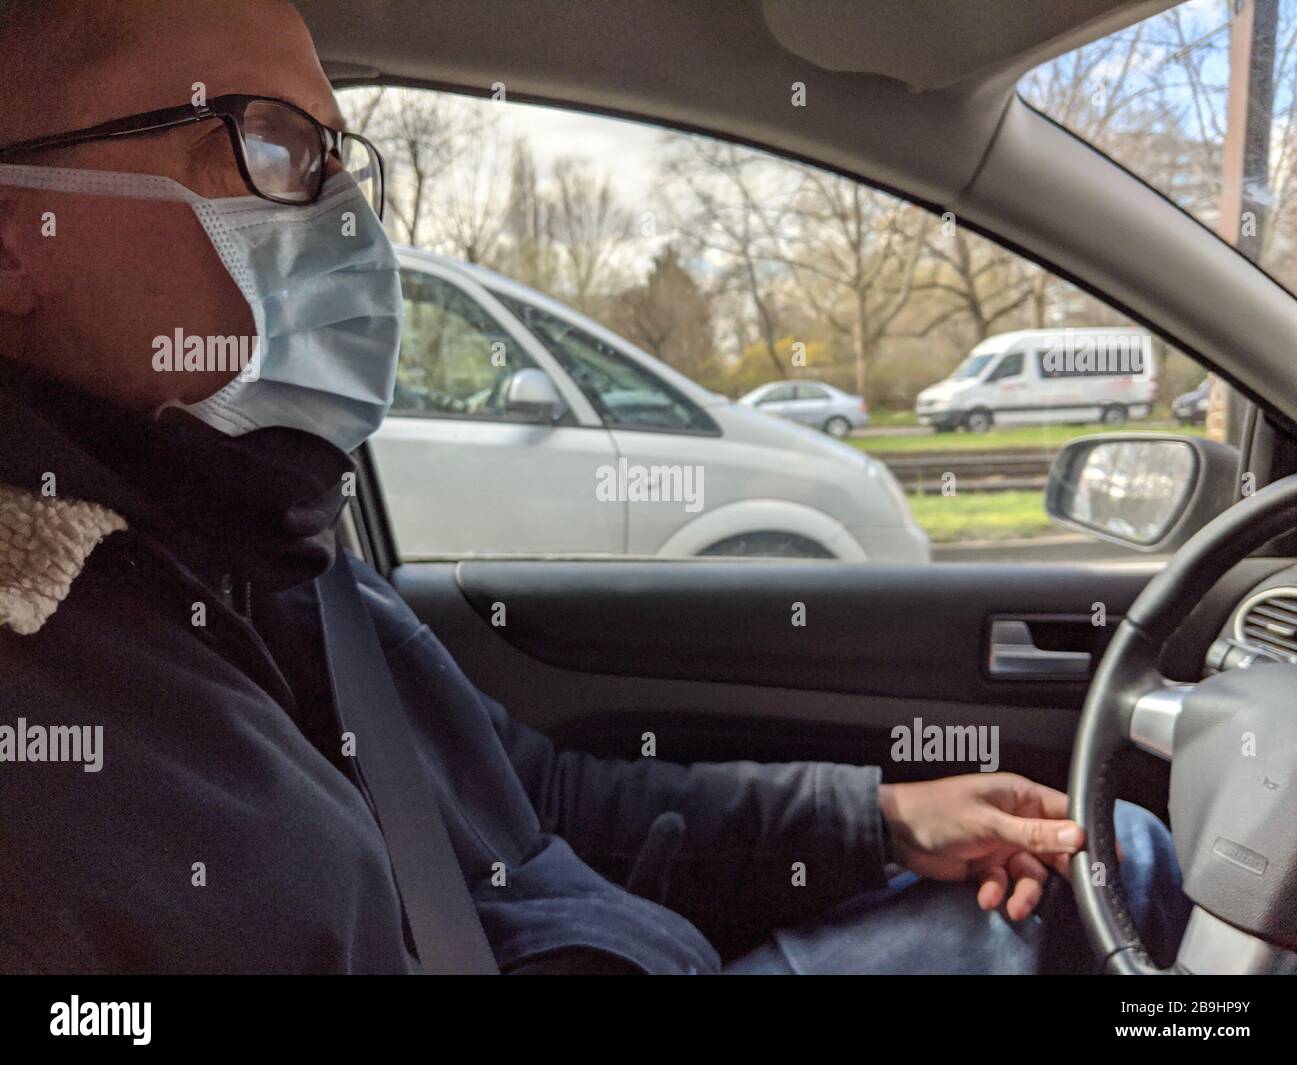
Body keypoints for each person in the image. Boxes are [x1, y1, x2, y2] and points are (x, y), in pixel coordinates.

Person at [0, 0, 1189, 975]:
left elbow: (539, 801)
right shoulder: (54, 720)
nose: (347, 218)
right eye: (272, 146)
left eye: (340, 157)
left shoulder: (263, 547)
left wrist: (877, 820)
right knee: (1119, 882)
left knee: (1108, 861)